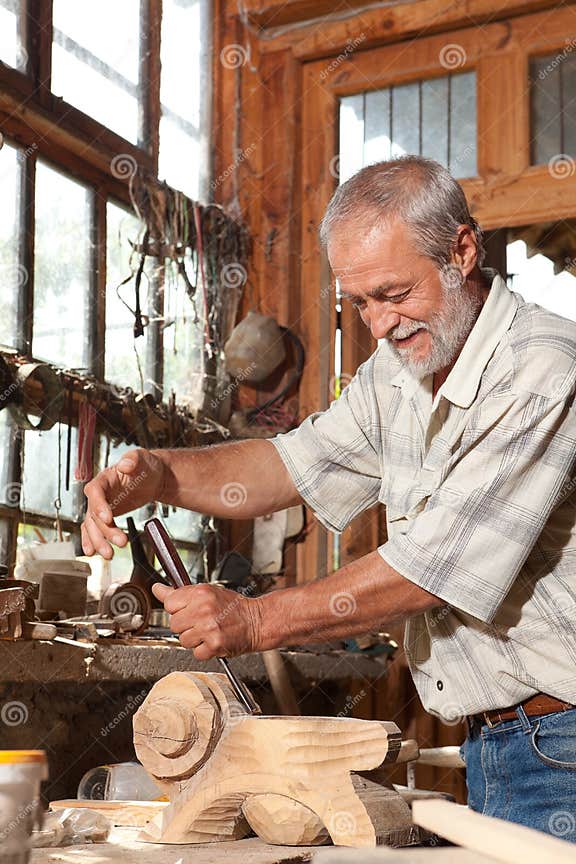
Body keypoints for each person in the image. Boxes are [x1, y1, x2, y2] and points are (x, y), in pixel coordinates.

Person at [82, 157, 576, 840]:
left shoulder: (542, 367)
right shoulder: (403, 365)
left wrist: (256, 623)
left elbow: (432, 565)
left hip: (563, 744)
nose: (379, 324)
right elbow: (290, 463)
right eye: (360, 302)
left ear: (463, 250)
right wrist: (159, 472)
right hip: (502, 739)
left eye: (394, 292)